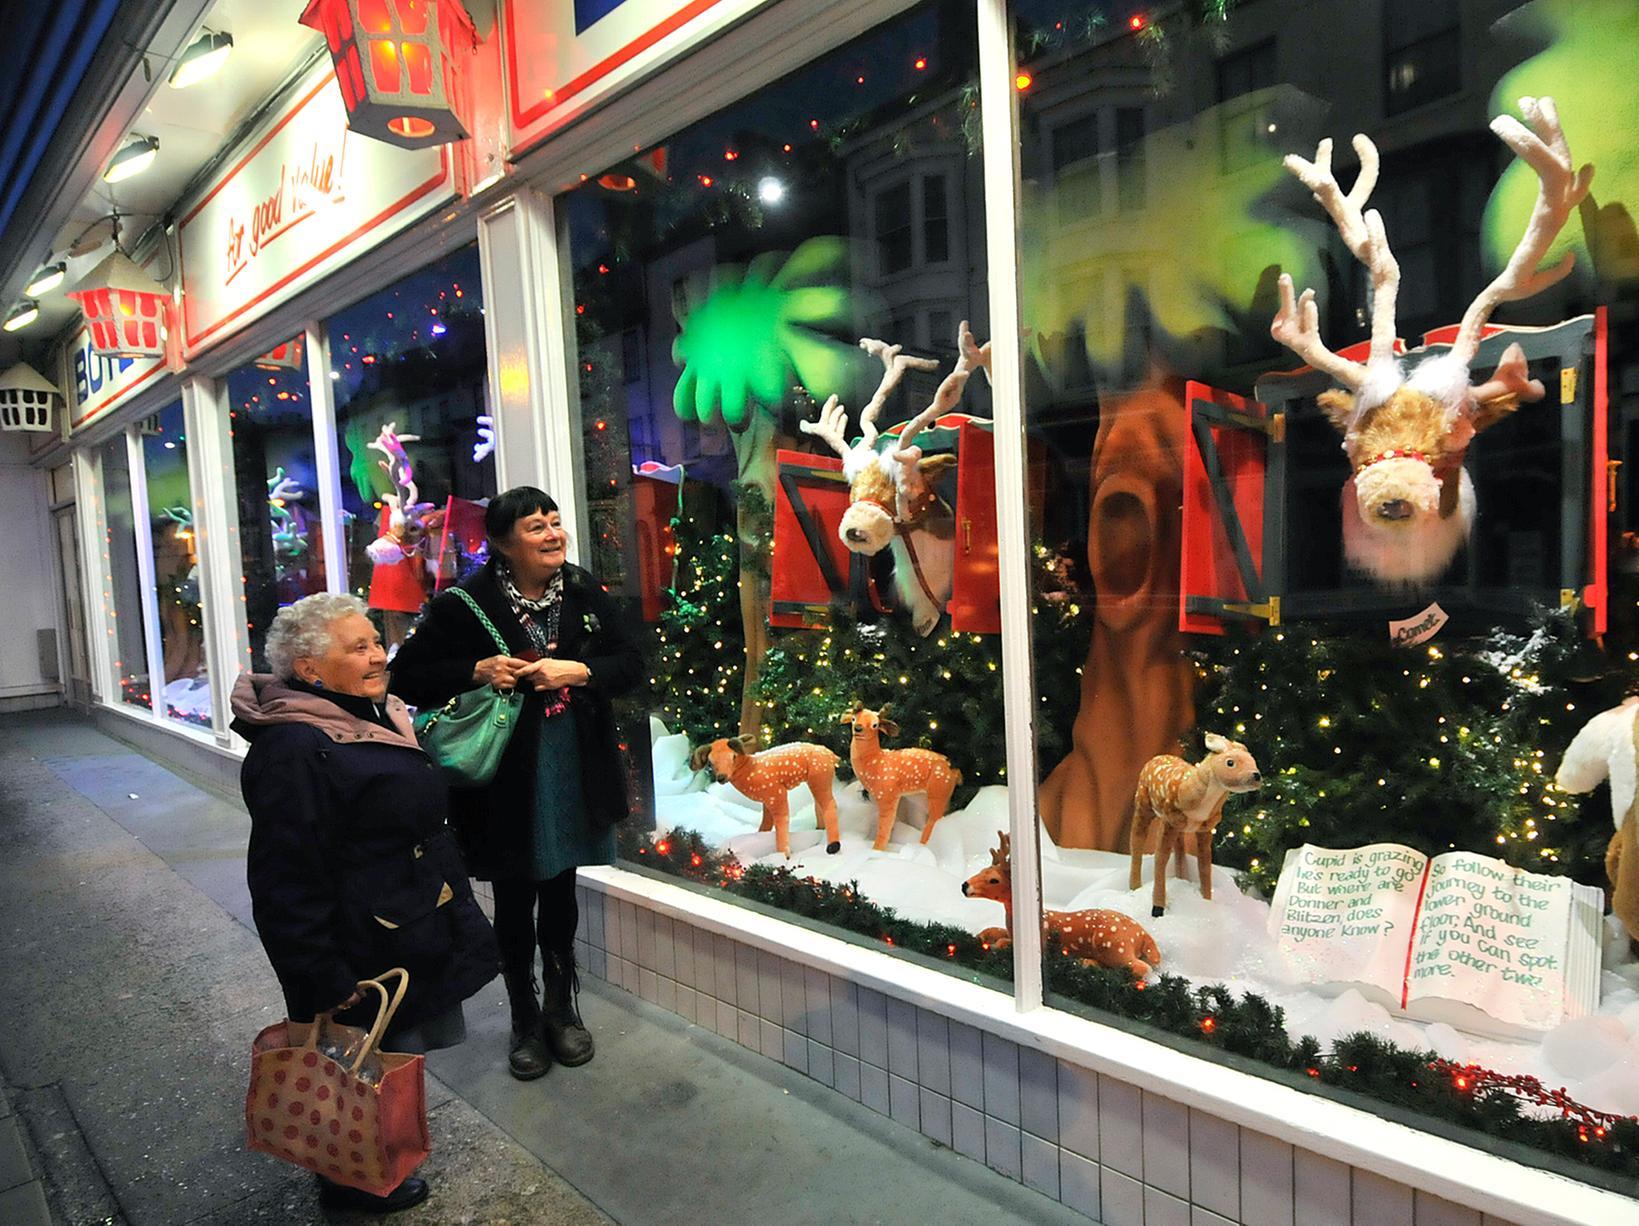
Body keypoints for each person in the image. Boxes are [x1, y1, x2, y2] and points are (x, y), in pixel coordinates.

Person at [233, 593, 500, 1215]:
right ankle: (349, 1177)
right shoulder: (295, 748)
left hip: (399, 919)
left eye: (377, 641)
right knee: (353, 1062)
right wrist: (319, 973)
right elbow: (283, 876)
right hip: (362, 941)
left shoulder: (368, 713)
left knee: (387, 1054)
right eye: (359, 647)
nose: (380, 654)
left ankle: (370, 1157)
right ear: (309, 669)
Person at [390, 487, 643, 1081]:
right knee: (513, 896)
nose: (554, 534)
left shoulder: (583, 592)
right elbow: (406, 676)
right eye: (537, 527)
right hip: (502, 774)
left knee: (560, 890)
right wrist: (473, 670)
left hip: (574, 764)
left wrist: (579, 670)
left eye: (556, 522)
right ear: (503, 544)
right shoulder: (464, 603)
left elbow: (632, 663)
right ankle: (524, 1019)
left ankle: (562, 1007)